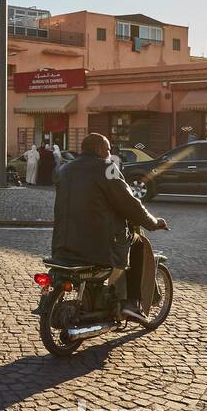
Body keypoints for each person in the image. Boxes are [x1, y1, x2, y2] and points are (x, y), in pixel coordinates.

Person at [51, 132, 168, 322]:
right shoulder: (106, 168)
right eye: (107, 149)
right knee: (137, 244)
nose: (109, 152)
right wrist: (153, 222)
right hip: (97, 243)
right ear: (98, 149)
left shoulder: (65, 169)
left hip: (64, 241)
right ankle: (132, 303)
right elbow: (128, 202)